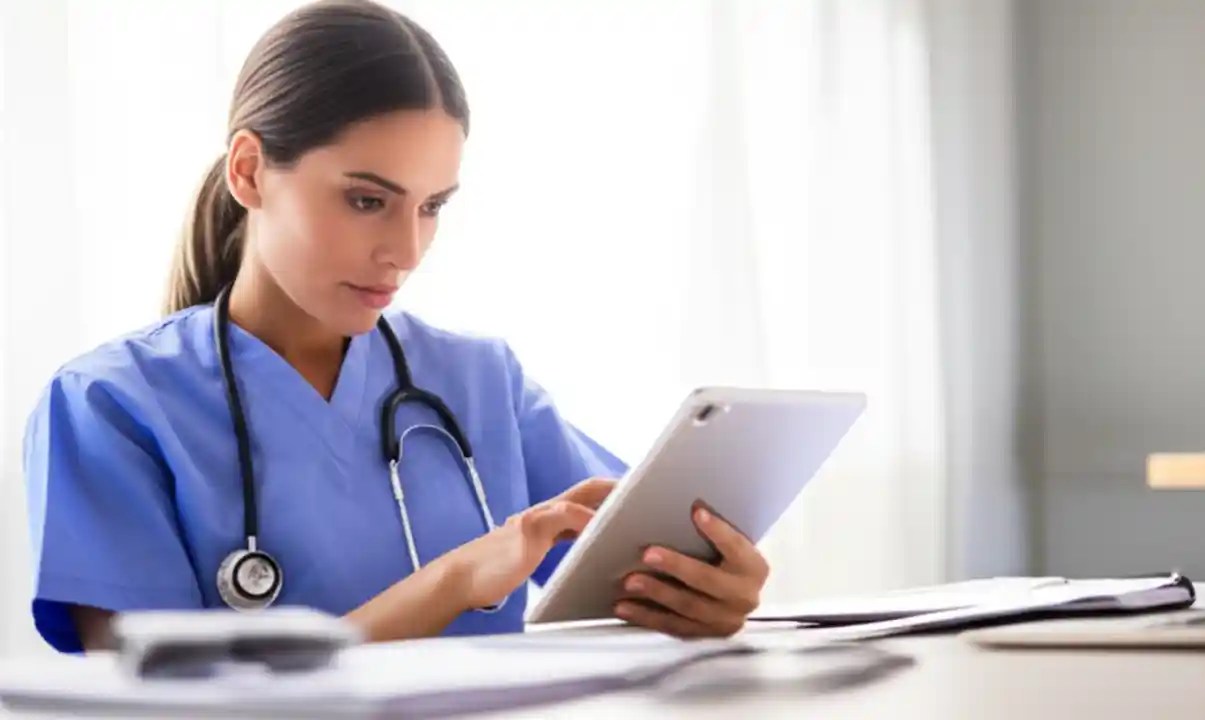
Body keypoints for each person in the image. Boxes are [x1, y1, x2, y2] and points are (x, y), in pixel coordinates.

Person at [22, 0, 769, 654]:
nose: (406, 251)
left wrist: (704, 588)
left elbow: (639, 559)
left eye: (432, 205)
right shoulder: (109, 407)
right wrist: (456, 579)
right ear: (248, 171)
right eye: (366, 200)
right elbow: (164, 706)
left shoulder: (481, 384)